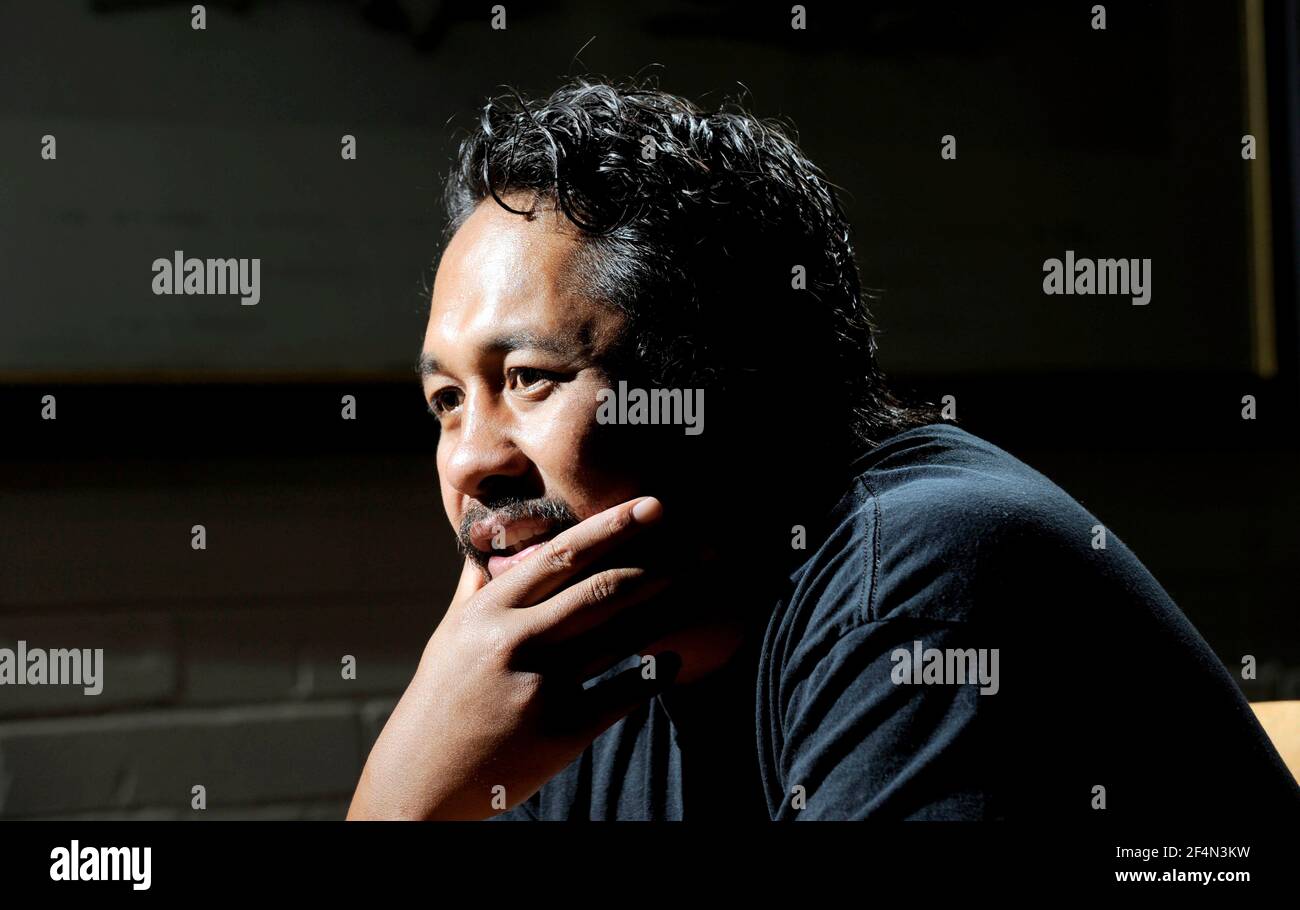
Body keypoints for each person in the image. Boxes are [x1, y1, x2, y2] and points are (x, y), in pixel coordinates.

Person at [346, 78, 1299, 820]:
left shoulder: (920, 576)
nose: (473, 461)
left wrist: (398, 807)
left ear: (719, 383)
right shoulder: (575, 678)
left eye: (531, 380)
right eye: (444, 400)